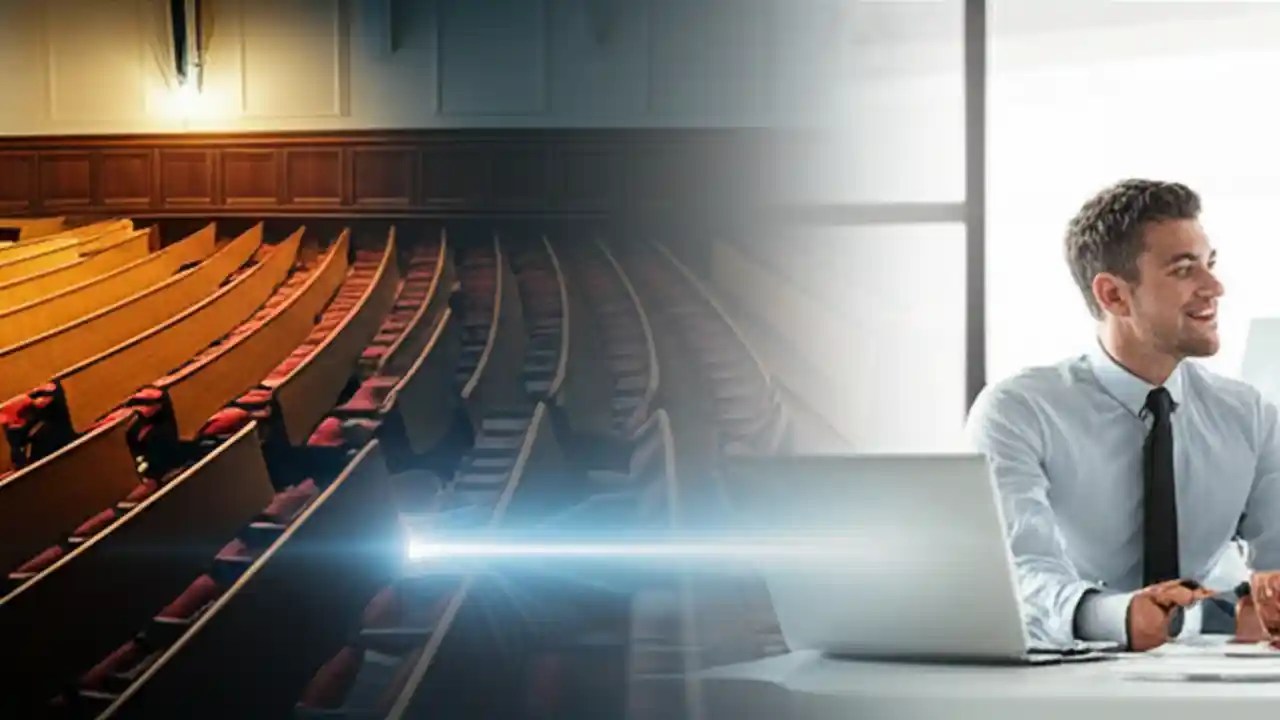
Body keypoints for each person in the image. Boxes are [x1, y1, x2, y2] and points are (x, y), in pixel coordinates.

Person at [966, 179, 1280, 651]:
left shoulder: (1248, 416)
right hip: (1066, 673)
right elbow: (1019, 571)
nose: (1215, 286)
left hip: (1213, 673)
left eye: (1209, 264)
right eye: (1183, 269)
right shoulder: (1019, 411)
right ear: (1113, 296)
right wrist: (1118, 617)